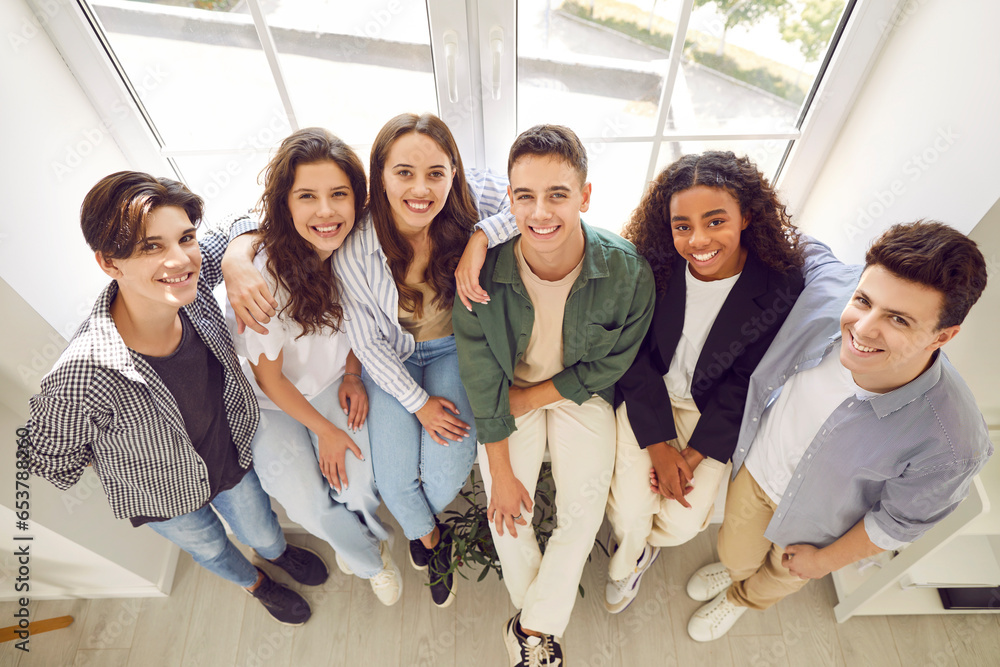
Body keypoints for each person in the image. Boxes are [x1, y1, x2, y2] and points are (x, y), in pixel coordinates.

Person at [226, 112, 518, 607]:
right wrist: (413, 404)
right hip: (354, 371)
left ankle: (421, 532)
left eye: (435, 173)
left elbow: (534, 204)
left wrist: (481, 237)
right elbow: (364, 337)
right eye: (403, 172)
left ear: (454, 173)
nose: (421, 188)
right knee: (361, 486)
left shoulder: (470, 204)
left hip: (422, 356)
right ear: (380, 175)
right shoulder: (349, 246)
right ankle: (406, 547)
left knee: (426, 474)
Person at [27, 172, 326, 626]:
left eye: (186, 238)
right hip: (163, 496)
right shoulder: (79, 377)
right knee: (209, 547)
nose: (180, 258)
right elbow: (51, 459)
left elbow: (246, 220)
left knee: (261, 525)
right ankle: (256, 585)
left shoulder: (190, 281)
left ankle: (278, 553)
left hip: (228, 456)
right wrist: (132, 460)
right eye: (151, 246)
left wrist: (237, 262)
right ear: (110, 263)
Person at [683, 220, 993, 641]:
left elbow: (897, 523)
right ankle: (736, 575)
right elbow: (789, 234)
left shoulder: (954, 442)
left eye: (899, 320)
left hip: (819, 528)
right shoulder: (830, 283)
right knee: (735, 552)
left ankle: (742, 600)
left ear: (944, 335)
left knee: (781, 575)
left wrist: (825, 561)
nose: (863, 329)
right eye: (864, 300)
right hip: (755, 474)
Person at [453, 124, 655, 666]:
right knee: (507, 511)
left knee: (583, 512)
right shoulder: (481, 275)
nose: (540, 212)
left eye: (558, 195)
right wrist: (498, 471)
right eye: (526, 196)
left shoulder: (627, 270)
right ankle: (537, 631)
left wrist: (539, 395)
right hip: (504, 396)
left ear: (585, 196)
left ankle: (530, 628)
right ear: (510, 202)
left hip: (579, 393)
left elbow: (612, 361)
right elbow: (479, 374)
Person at [605, 152, 805, 613]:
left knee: (681, 523)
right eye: (683, 226)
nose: (698, 240)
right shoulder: (650, 265)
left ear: (746, 216)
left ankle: (644, 545)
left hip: (709, 410)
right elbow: (631, 356)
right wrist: (658, 446)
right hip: (647, 395)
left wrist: (692, 455)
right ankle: (630, 558)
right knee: (631, 511)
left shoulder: (778, 285)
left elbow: (746, 381)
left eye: (715, 221)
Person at [229, 128, 402, 605]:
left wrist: (351, 374)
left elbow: (360, 326)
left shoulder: (358, 247)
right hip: (272, 402)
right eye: (308, 196)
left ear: (358, 199)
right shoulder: (265, 276)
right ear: (286, 204)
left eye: (338, 195)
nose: (326, 211)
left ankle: (362, 536)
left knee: (360, 479)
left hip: (332, 381)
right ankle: (370, 560)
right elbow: (270, 378)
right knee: (308, 502)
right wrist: (325, 430)